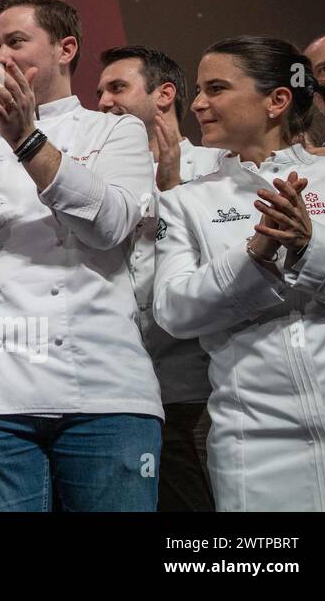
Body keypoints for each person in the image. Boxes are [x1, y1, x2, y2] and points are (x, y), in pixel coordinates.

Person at [0, 0, 162, 511]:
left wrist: (28, 140)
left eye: (17, 42)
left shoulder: (115, 130)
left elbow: (111, 224)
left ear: (65, 49)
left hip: (103, 389)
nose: (0, 57)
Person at [154, 36, 325, 511]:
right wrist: (255, 256)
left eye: (216, 88)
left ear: (277, 100)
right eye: (199, 90)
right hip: (251, 448)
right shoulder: (186, 201)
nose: (197, 103)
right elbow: (174, 310)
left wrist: (309, 246)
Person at [96, 45, 223, 511]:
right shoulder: (97, 184)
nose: (104, 102)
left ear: (164, 94)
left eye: (117, 88)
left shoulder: (218, 170)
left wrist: (173, 192)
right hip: (120, 398)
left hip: (200, 394)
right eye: (100, 92)